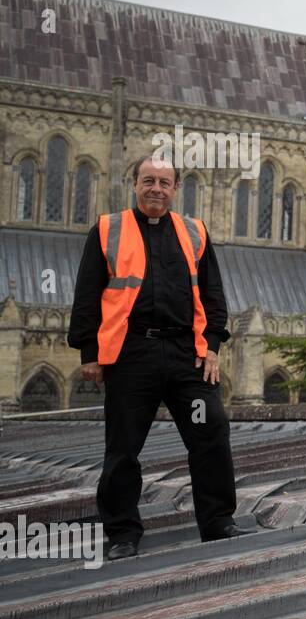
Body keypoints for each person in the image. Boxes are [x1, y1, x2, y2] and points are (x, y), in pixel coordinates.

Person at [68, 155, 252, 560]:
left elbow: (213, 295)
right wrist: (90, 352)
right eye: (148, 180)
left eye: (164, 183)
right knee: (124, 447)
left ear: (175, 189)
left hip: (188, 356)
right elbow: (87, 294)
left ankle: (218, 521)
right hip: (132, 354)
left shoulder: (194, 232)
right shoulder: (107, 229)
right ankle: (122, 533)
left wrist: (212, 347)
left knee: (211, 429)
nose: (156, 188)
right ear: (134, 183)